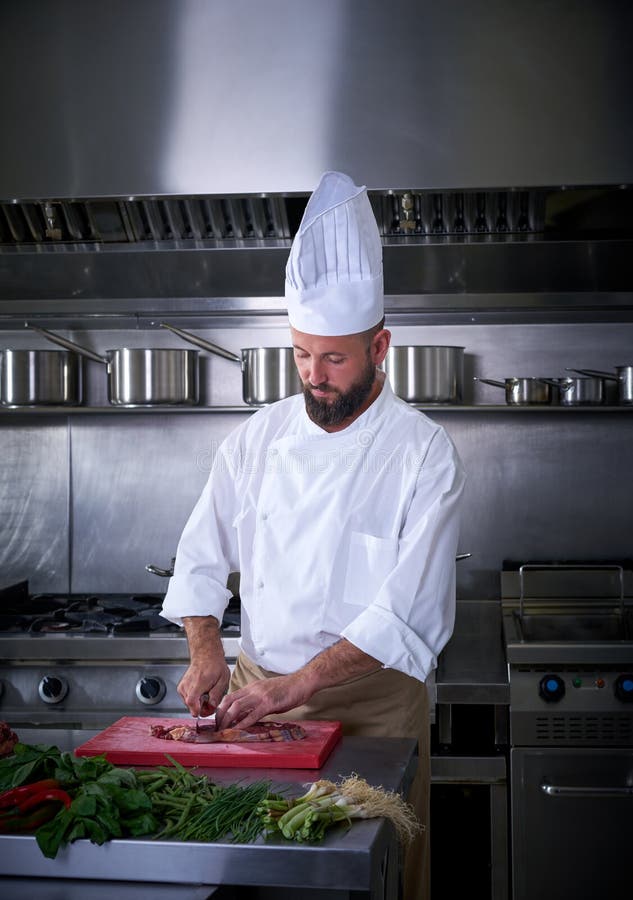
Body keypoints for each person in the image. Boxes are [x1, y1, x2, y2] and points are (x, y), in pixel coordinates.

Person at [161, 171, 465, 900]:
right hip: (256, 693)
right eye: (302, 355)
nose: (314, 377)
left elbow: (406, 615)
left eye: (334, 358)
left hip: (374, 706)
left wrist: (300, 686)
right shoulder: (255, 439)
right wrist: (207, 652)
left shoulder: (422, 453)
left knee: (370, 876)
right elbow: (201, 558)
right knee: (255, 874)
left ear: (380, 345)